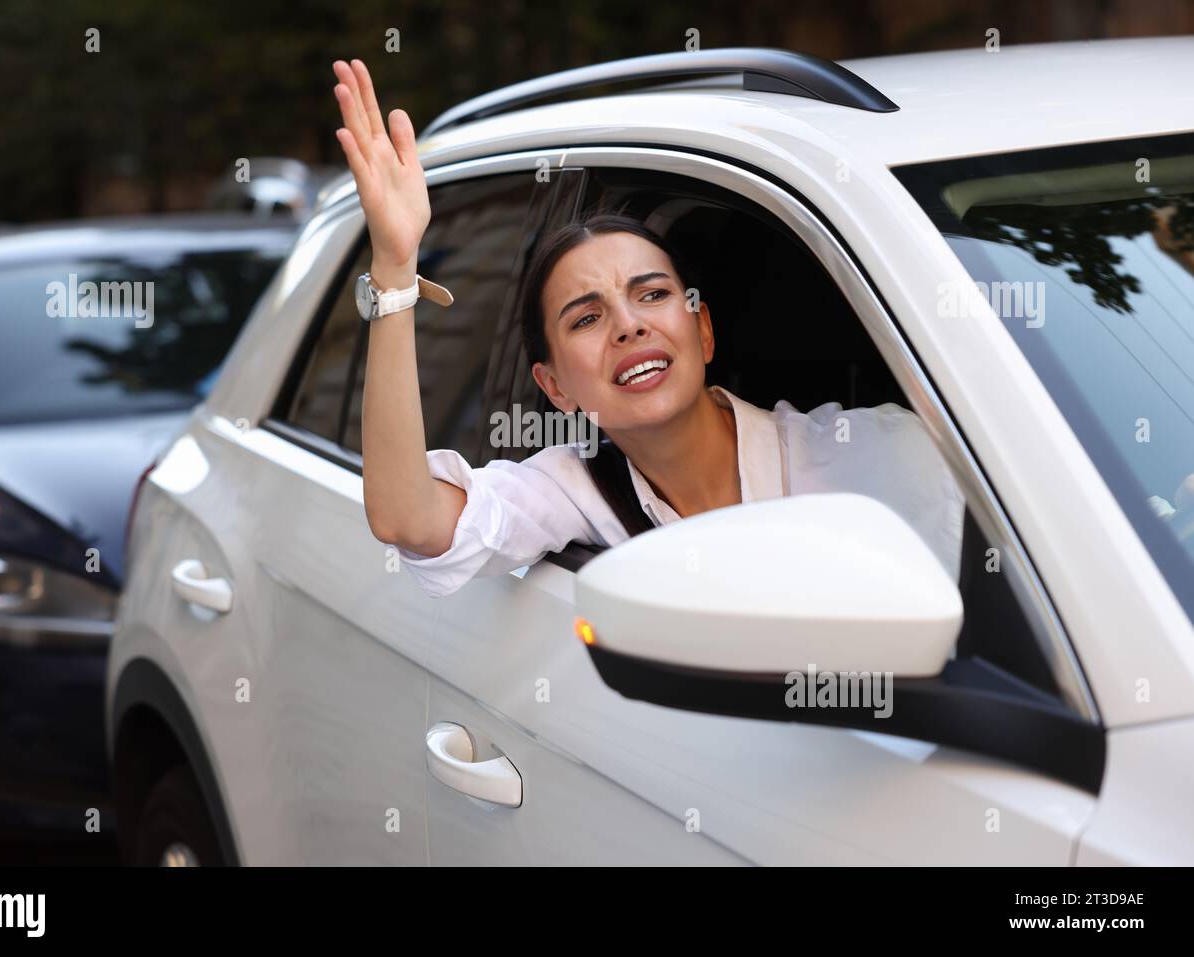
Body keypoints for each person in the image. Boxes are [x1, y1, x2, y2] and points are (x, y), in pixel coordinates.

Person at [332, 57, 965, 600]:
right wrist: (394, 265)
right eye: (586, 317)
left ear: (704, 330)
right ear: (556, 388)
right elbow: (406, 517)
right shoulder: (577, 488)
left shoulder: (875, 455)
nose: (629, 326)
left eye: (653, 294)